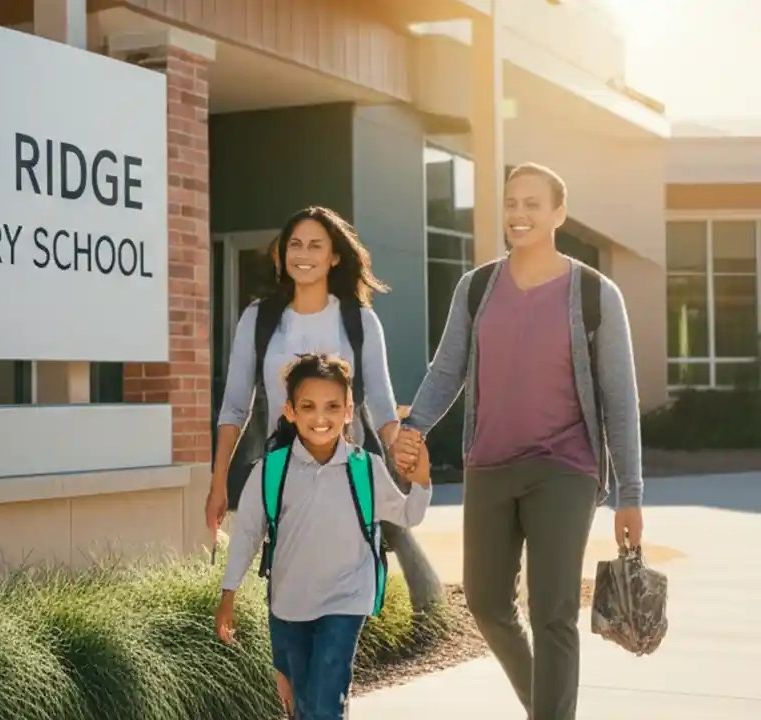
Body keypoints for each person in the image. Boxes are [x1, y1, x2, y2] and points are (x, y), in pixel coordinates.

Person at [391, 162, 645, 720]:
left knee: (553, 610)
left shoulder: (594, 294)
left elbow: (621, 400)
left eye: (532, 203)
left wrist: (631, 492)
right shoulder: (478, 286)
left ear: (558, 212)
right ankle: (547, 710)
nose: (519, 214)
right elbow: (447, 368)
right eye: (511, 203)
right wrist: (413, 429)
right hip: (489, 464)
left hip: (565, 466)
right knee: (485, 602)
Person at [215, 353, 433, 720]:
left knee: (324, 703)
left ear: (349, 411)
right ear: (290, 411)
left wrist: (422, 480)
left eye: (333, 406)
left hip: (346, 601)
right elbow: (247, 536)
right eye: (308, 406)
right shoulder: (271, 471)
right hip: (288, 607)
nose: (321, 417)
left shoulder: (366, 468)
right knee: (302, 705)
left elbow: (409, 515)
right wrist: (228, 595)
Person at [206, 206, 400, 534]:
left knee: (349, 581)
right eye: (295, 244)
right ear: (282, 254)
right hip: (283, 483)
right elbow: (235, 407)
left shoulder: (361, 322)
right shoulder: (258, 319)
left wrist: (403, 473)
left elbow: (383, 409)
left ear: (334, 256)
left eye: (315, 245)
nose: (303, 254)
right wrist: (218, 482)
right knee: (287, 581)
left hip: (348, 483)